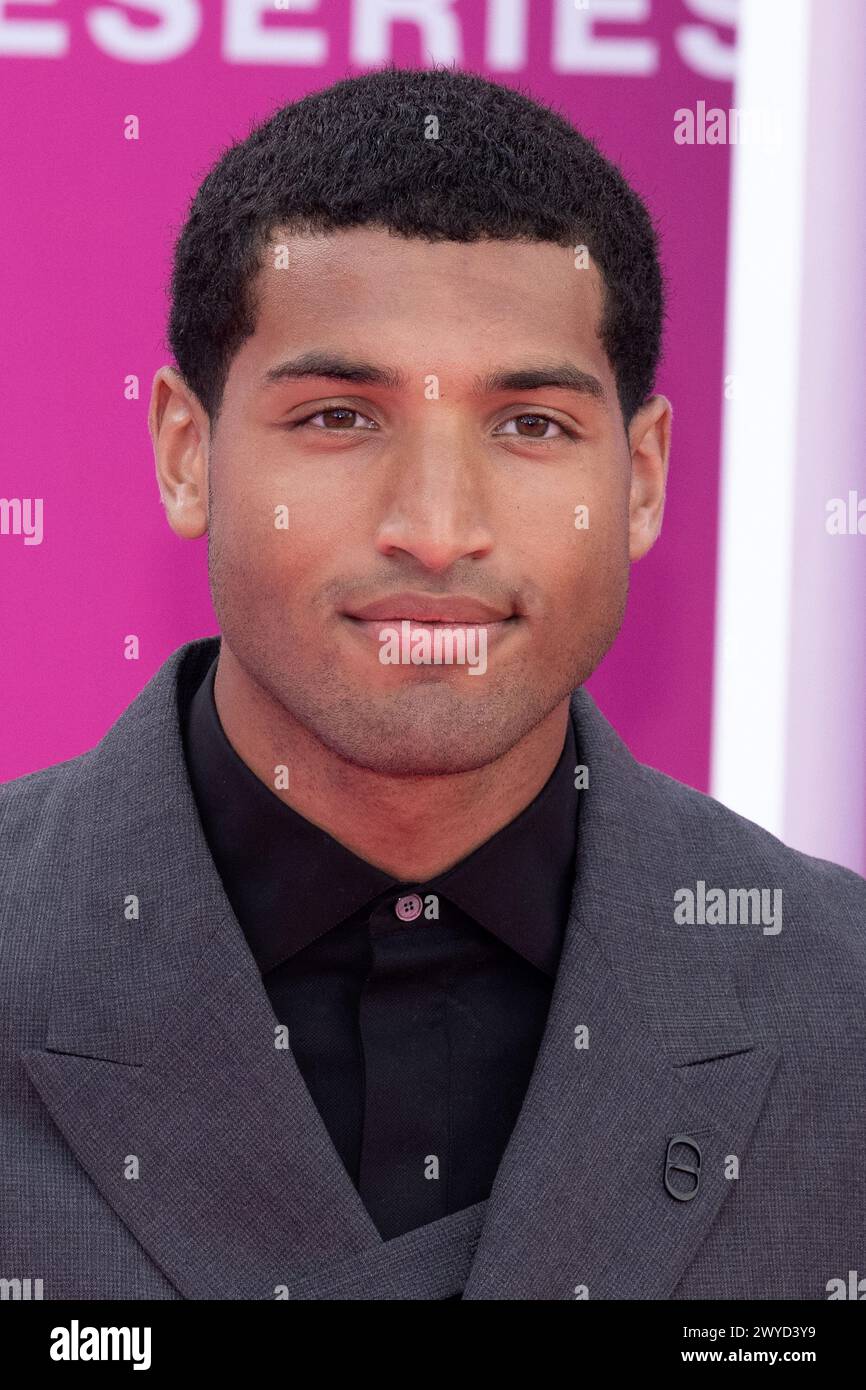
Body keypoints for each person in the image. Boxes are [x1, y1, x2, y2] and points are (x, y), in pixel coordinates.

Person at [1, 66, 864, 1302]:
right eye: (340, 416)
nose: (435, 527)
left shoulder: (839, 1006)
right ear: (186, 455)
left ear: (640, 478)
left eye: (529, 427)